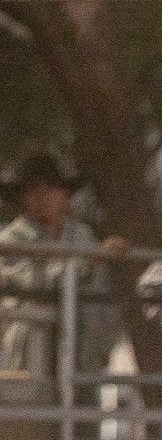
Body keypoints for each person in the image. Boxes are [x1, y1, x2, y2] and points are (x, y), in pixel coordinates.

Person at [0, 151, 125, 378]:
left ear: (65, 193)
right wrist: (87, 263)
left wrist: (106, 345)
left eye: (51, 186)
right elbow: (33, 285)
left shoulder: (83, 237)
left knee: (83, 410)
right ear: (22, 197)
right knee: (34, 411)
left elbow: (103, 297)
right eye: (31, 188)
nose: (41, 195)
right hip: (32, 358)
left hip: (84, 357)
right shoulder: (10, 242)